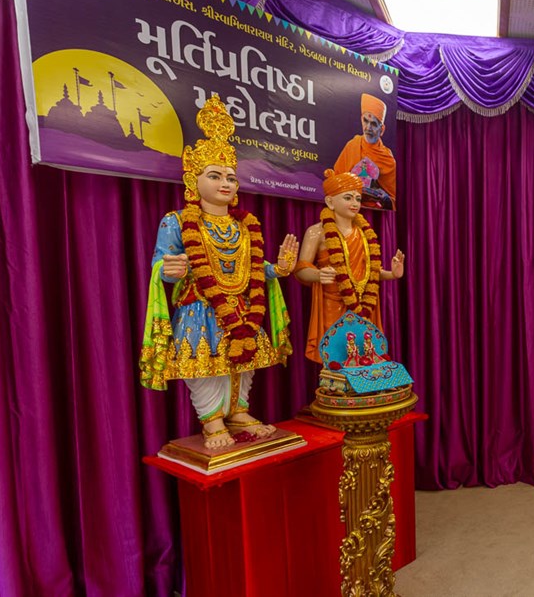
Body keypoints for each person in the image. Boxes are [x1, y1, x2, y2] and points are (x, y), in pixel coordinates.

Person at [139, 95, 298, 450]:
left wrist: (278, 269)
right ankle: (212, 421)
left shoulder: (245, 226)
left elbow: (252, 268)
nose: (226, 183)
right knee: (208, 368)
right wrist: (170, 270)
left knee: (244, 365)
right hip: (201, 308)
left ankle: (239, 412)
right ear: (194, 181)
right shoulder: (177, 221)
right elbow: (161, 267)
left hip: (244, 306)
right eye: (215, 175)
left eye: (230, 177)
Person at [294, 169, 411, 395]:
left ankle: (365, 389)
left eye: (358, 198)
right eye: (348, 197)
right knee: (336, 353)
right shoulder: (317, 232)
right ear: (330, 201)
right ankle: (338, 392)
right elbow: (301, 269)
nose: (355, 202)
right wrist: (317, 274)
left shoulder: (366, 233)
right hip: (331, 302)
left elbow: (371, 274)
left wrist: (392, 274)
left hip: (365, 304)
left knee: (364, 350)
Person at [332, 93, 396, 210]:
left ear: (382, 129)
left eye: (373, 124)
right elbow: (336, 180)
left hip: (376, 213)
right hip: (349, 209)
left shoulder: (388, 159)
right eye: (365, 121)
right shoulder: (352, 145)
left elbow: (394, 199)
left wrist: (387, 200)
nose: (368, 128)